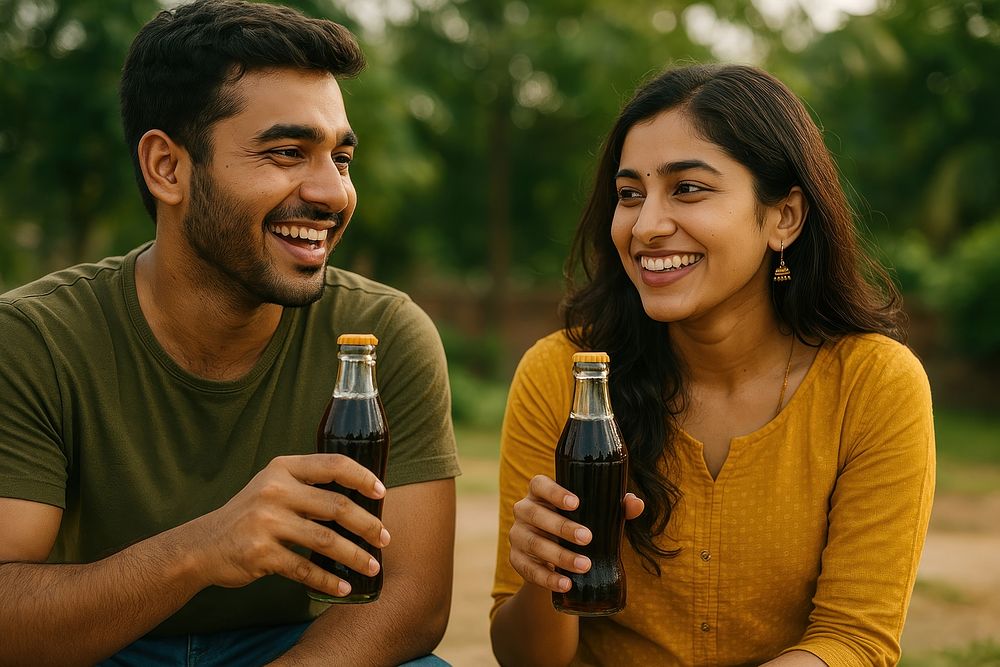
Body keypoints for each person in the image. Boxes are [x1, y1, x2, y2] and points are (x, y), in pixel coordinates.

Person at [0, 1, 460, 665]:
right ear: (167, 167)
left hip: (294, 648)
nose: (332, 192)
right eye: (286, 152)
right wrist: (201, 549)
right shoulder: (32, 340)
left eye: (342, 157)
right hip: (96, 643)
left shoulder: (381, 334)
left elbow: (412, 600)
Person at [490, 63, 935, 666]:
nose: (647, 225)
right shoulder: (565, 375)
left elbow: (854, 641)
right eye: (629, 195)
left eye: (689, 189)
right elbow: (525, 659)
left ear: (785, 217)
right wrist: (547, 574)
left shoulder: (872, 384)